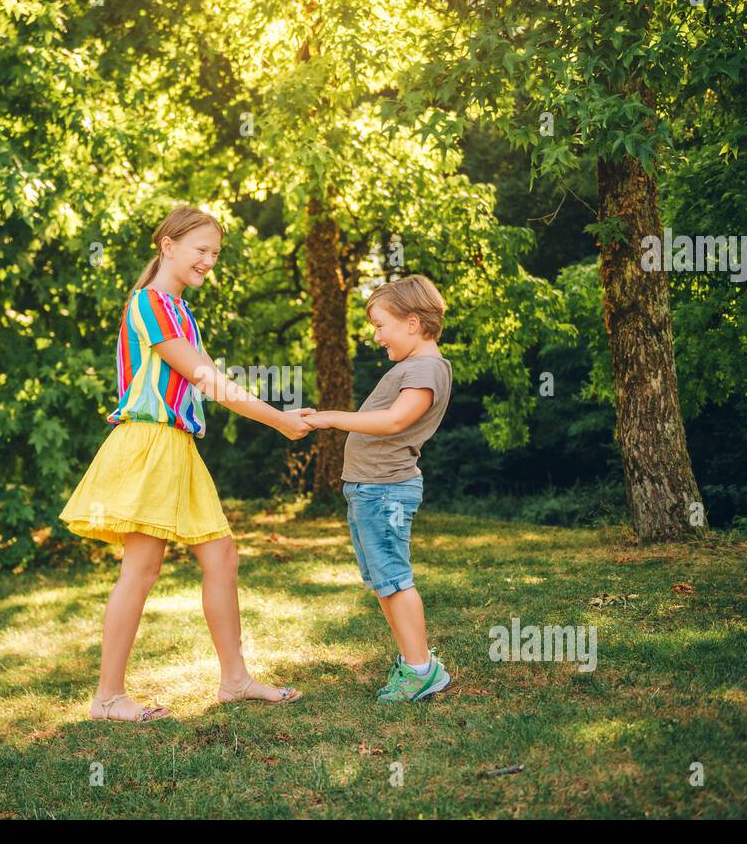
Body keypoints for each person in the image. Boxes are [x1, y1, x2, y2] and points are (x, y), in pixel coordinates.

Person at [59, 204, 312, 722]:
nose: (208, 262)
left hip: (177, 446)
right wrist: (280, 420)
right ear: (167, 246)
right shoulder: (151, 304)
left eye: (215, 254)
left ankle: (235, 680)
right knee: (143, 568)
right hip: (150, 444)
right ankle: (108, 697)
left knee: (221, 557)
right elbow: (211, 383)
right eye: (201, 250)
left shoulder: (179, 310)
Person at [303, 275, 454, 702]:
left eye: (380, 325)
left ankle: (422, 670)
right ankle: (416, 659)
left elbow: (394, 422)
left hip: (385, 490)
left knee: (394, 579)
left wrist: (329, 418)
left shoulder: (424, 368)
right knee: (383, 581)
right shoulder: (412, 366)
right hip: (370, 489)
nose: (376, 336)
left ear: (411, 322)